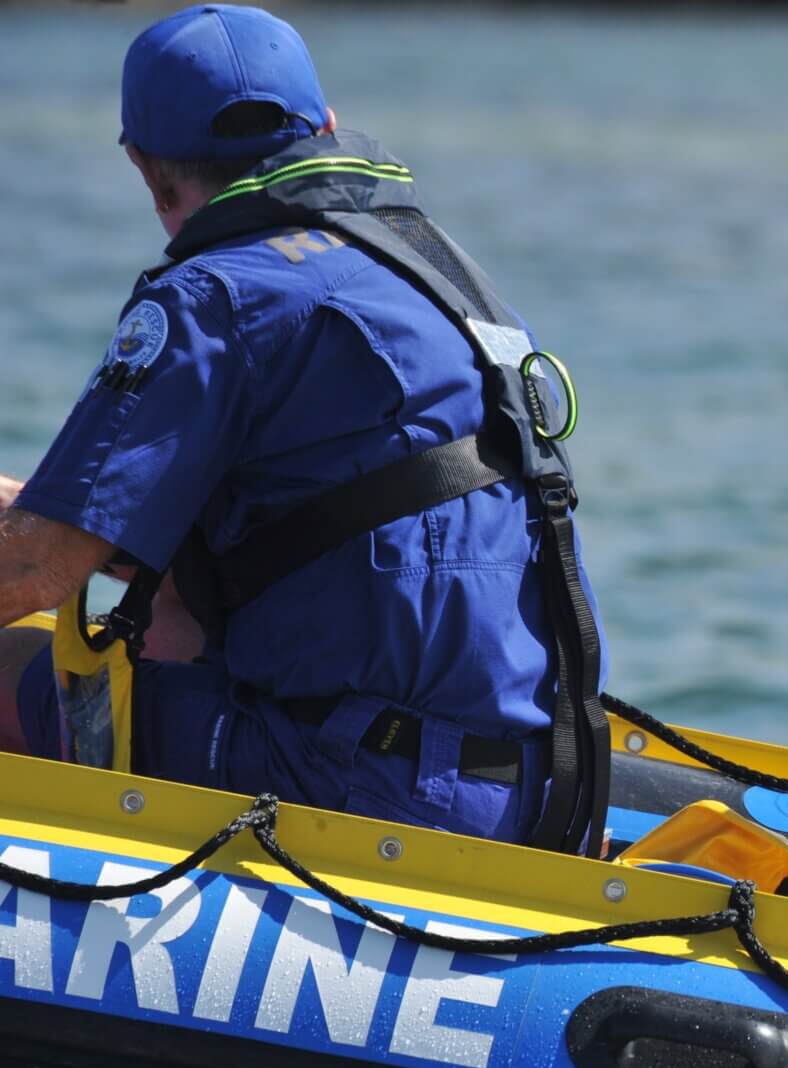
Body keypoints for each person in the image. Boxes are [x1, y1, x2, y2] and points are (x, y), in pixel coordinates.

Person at [0, 4, 610, 853]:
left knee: (7, 669)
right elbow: (316, 519)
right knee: (170, 594)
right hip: (545, 790)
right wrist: (39, 506)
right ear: (323, 127)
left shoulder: (213, 297)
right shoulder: (428, 265)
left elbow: (29, 569)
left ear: (150, 173)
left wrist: (39, 533)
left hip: (365, 788)